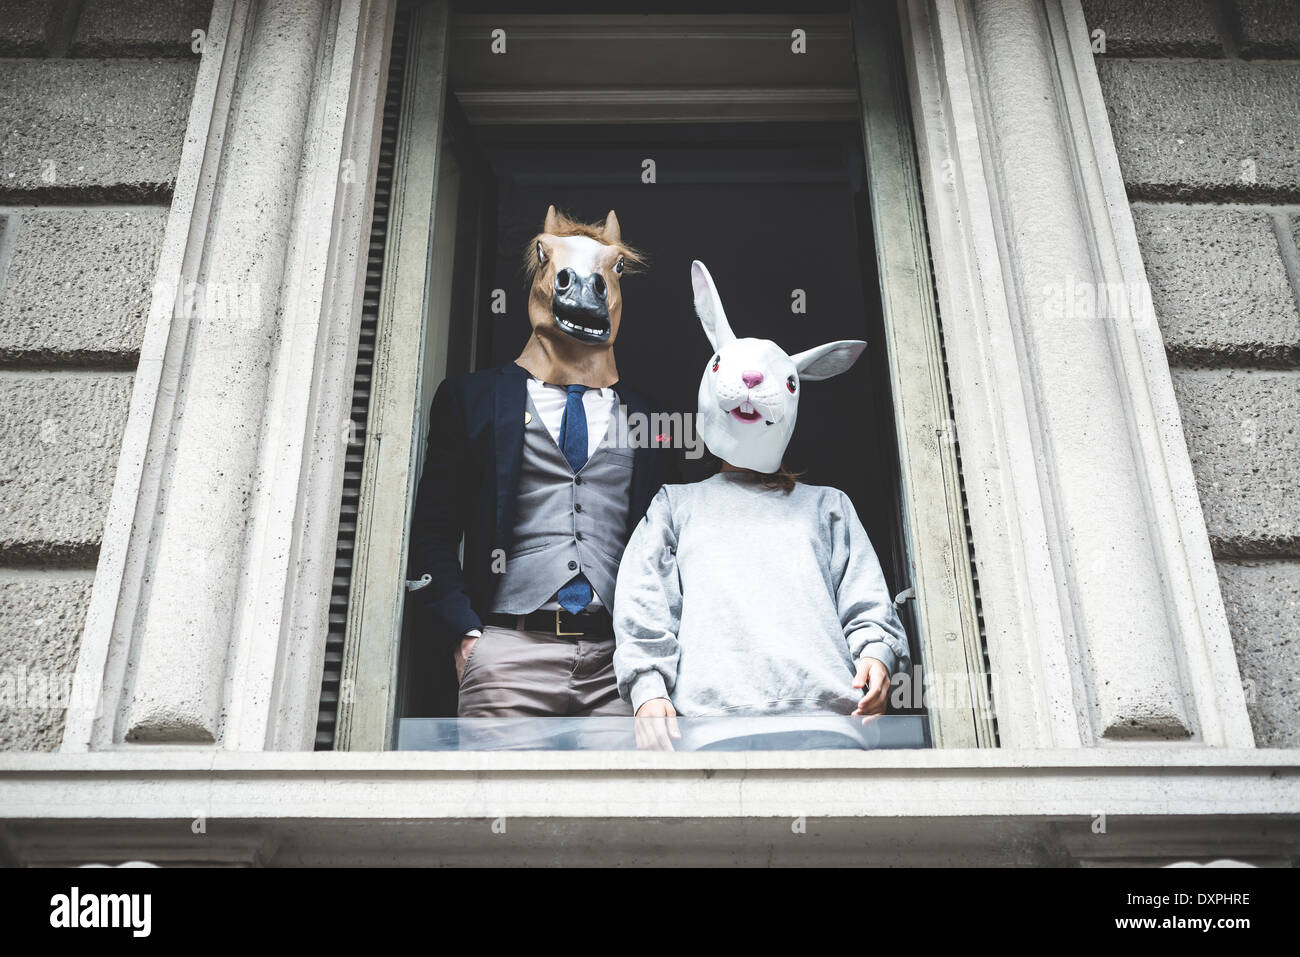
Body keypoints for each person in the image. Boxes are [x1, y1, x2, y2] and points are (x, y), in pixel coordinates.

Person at [612, 261, 909, 750]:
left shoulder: (827, 507)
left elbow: (867, 603)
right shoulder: (675, 507)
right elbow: (645, 601)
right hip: (708, 730)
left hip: (827, 726)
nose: (751, 385)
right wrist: (648, 690)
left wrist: (877, 655)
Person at [407, 206, 678, 718]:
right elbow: (433, 533)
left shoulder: (649, 417)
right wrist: (467, 636)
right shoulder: (473, 398)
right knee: (499, 802)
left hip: (621, 665)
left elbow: (672, 544)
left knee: (629, 801)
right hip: (508, 655)